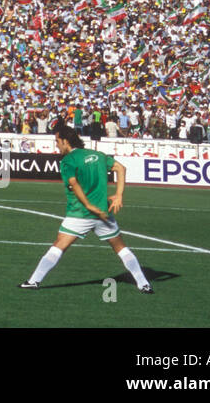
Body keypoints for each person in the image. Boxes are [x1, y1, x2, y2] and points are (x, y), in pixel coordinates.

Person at [19, 124, 152, 293]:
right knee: (121, 248)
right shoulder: (98, 155)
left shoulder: (68, 160)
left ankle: (34, 281)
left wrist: (88, 205)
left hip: (80, 214)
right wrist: (119, 195)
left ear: (66, 141)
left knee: (59, 245)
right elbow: (121, 168)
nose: (56, 145)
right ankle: (143, 283)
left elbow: (74, 184)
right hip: (103, 214)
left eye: (57, 141)